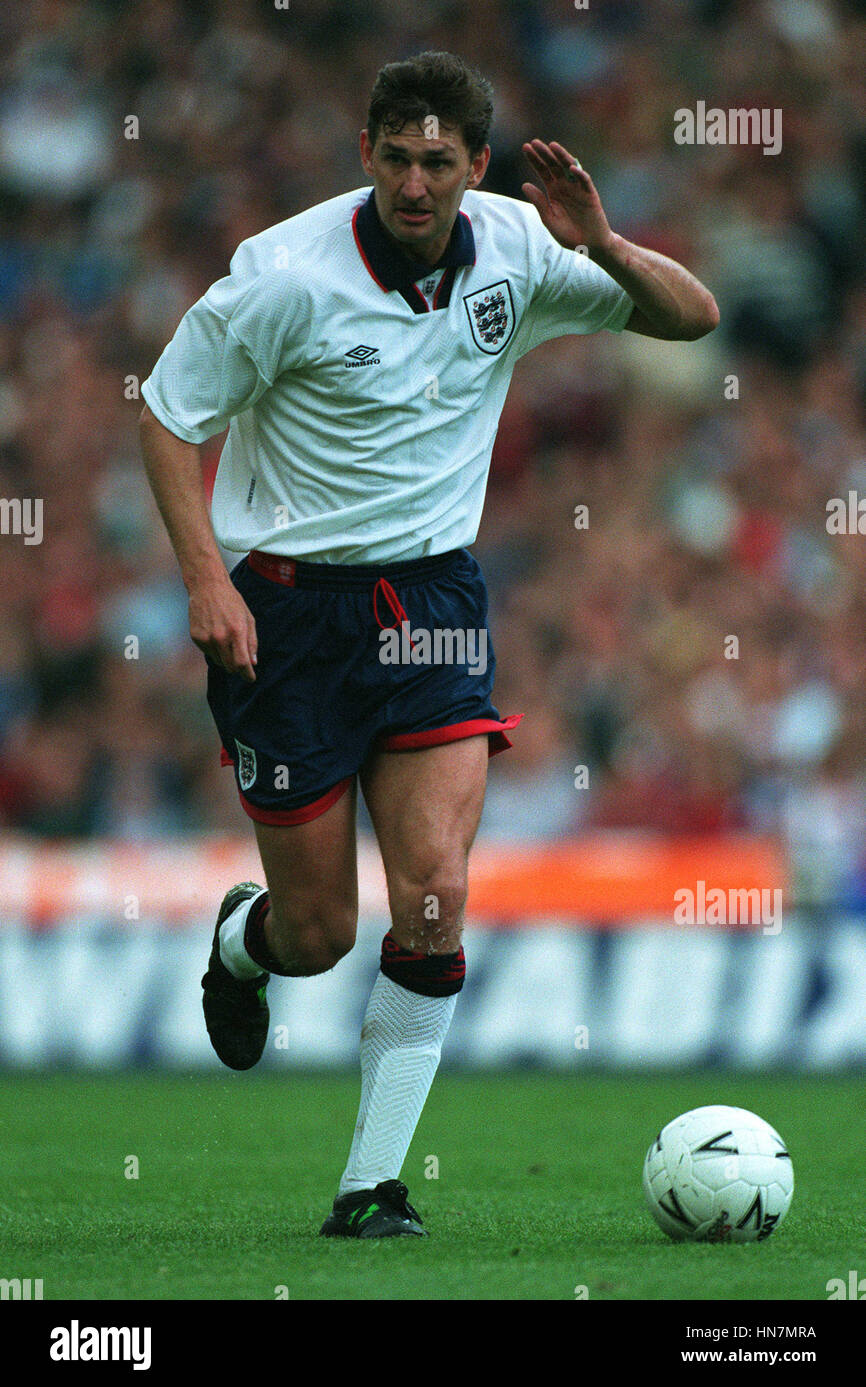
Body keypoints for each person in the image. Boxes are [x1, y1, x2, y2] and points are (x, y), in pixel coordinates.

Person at [138, 50, 718, 1238]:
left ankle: (369, 1187)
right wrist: (207, 581)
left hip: (432, 606)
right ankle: (243, 945)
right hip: (287, 615)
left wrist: (598, 241)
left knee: (437, 898)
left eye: (438, 162)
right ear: (365, 155)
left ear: (473, 166)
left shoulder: (517, 243)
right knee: (316, 936)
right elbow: (163, 410)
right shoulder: (282, 278)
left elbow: (690, 316)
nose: (415, 182)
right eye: (395, 158)